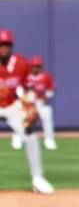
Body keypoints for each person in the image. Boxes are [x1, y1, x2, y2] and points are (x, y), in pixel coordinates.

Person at [0, 29, 51, 194]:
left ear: (11, 46)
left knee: (30, 136)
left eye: (6, 45)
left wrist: (30, 105)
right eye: (1, 45)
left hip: (12, 105)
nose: (3, 49)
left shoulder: (21, 63)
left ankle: (38, 179)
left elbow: (28, 87)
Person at [24, 55, 57, 150]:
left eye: (38, 66)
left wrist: (46, 96)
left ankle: (49, 140)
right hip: (28, 103)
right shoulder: (26, 76)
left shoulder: (46, 76)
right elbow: (20, 88)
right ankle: (19, 138)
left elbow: (51, 89)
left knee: (47, 116)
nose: (35, 68)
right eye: (34, 66)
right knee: (22, 120)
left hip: (40, 103)